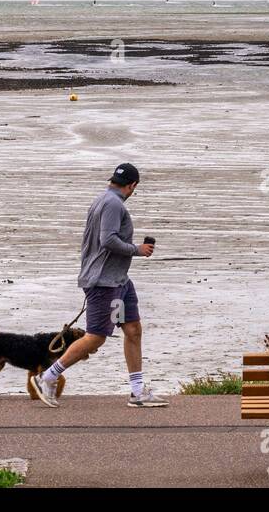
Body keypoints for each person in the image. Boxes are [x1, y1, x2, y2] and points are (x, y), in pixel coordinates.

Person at [30, 163, 167, 408]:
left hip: (119, 281)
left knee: (133, 329)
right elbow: (108, 241)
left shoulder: (103, 200)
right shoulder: (113, 204)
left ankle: (137, 392)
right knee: (96, 338)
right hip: (104, 283)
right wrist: (138, 249)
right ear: (133, 186)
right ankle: (48, 376)